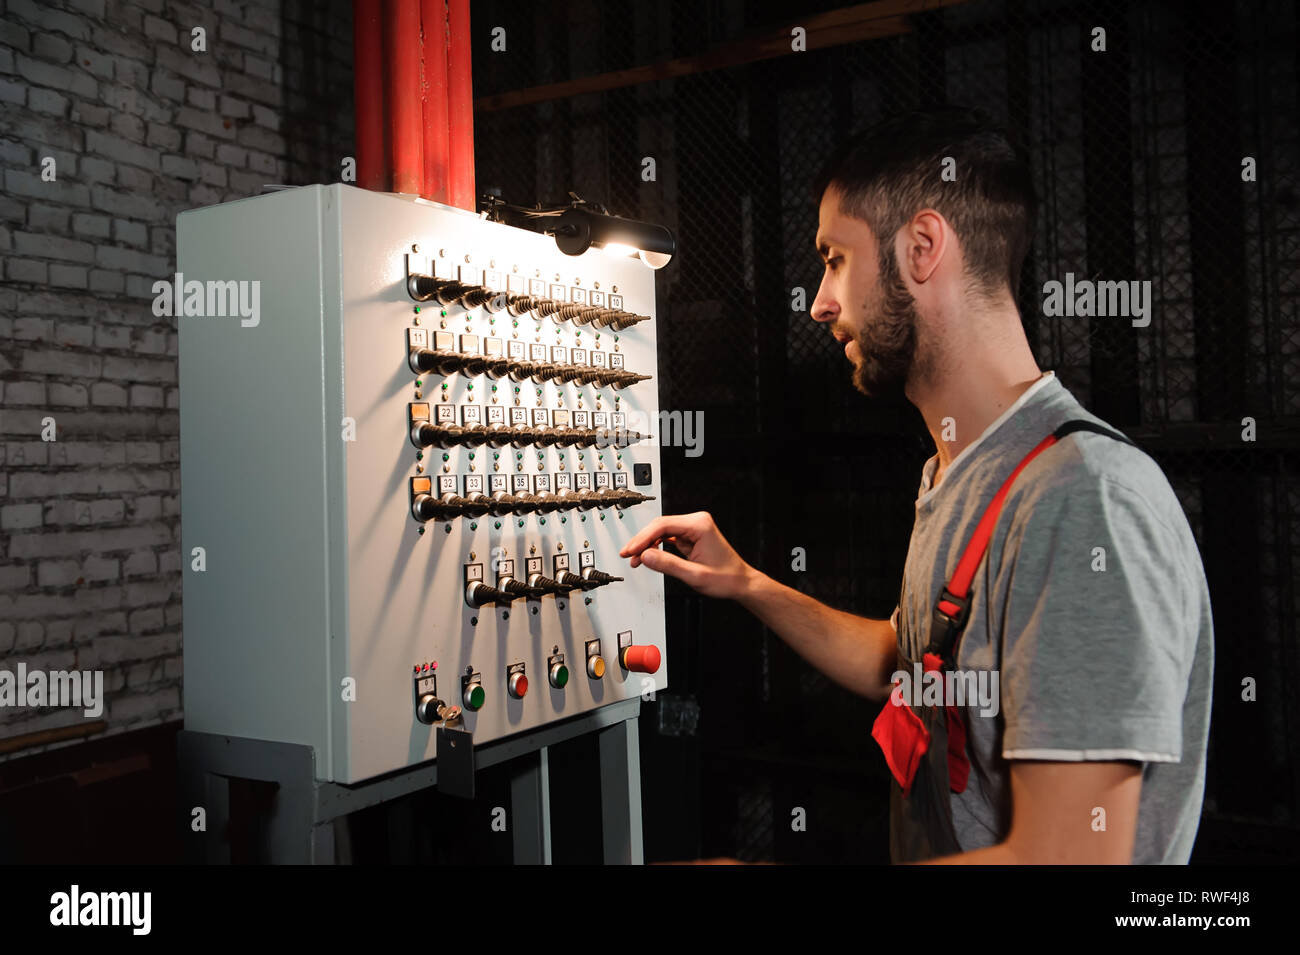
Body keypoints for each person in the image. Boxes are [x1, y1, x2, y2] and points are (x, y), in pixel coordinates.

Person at [620, 106, 1214, 864]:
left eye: (836, 258)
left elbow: (1067, 856)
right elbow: (911, 662)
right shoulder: (958, 472)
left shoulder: (1081, 499)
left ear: (923, 247)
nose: (819, 301)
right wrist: (748, 584)